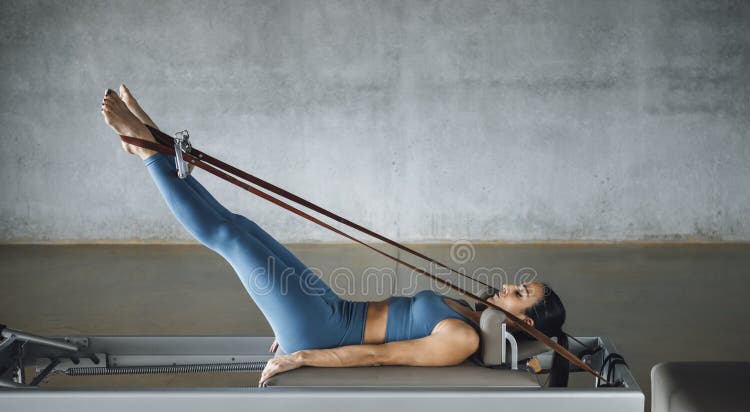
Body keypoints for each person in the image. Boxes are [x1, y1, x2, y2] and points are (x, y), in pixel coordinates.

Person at [100, 86, 566, 387]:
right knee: (243, 226)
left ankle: (144, 148)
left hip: (322, 329)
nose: (509, 286)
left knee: (229, 238)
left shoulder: (462, 339)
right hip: (331, 307)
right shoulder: (473, 313)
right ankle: (154, 144)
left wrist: (302, 357)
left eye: (520, 293)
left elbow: (377, 356)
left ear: (522, 322)